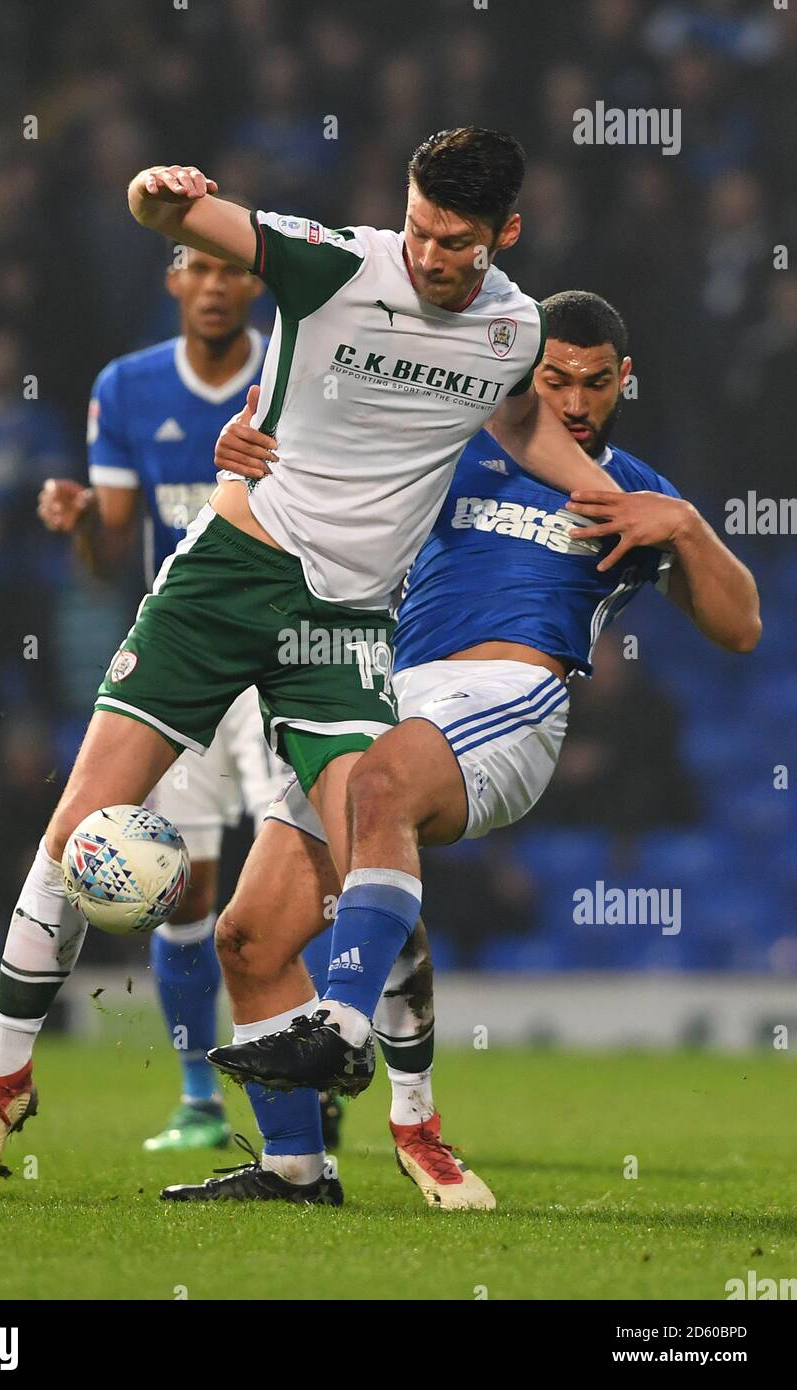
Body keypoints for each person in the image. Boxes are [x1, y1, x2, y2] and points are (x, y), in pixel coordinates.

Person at [0, 127, 617, 1205]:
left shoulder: (514, 327)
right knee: (78, 825)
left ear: (506, 235)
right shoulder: (336, 260)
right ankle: (1, 1078)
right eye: (423, 228)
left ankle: (407, 1123)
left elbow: (522, 416)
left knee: (374, 838)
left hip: (344, 622)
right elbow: (173, 219)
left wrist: (607, 494)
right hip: (226, 580)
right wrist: (160, 191)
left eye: (458, 243)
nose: (432, 256)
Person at [197, 290, 760, 1207]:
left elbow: (742, 629)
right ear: (522, 372)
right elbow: (313, 442)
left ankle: (344, 1027)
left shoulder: (634, 492)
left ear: (625, 382)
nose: (575, 402)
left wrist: (688, 525)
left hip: (512, 698)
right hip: (388, 696)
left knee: (379, 787)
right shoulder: (448, 443)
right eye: (555, 379)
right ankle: (296, 1170)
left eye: (595, 382)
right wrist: (244, 442)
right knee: (248, 937)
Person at [36, 244, 288, 1153]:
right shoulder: (129, 386)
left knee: (305, 880)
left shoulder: (296, 369)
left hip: (284, 660)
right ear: (173, 281)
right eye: (197, 268)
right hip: (184, 670)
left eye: (232, 271)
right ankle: (197, 1100)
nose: (215, 286)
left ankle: (314, 1071)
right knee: (182, 891)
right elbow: (109, 550)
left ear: (257, 282)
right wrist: (76, 527)